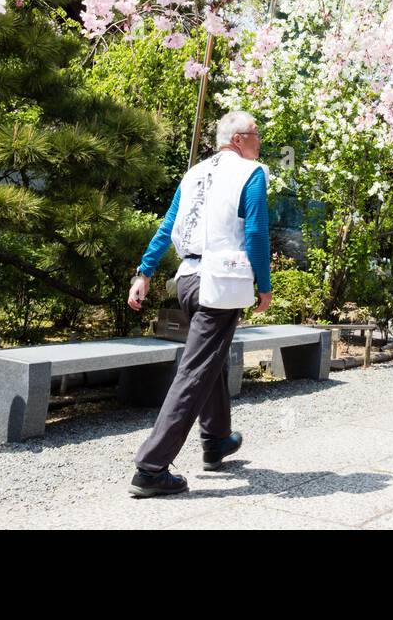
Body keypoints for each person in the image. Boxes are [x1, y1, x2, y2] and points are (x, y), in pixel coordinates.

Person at [126, 110, 273, 498]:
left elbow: (167, 225)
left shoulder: (193, 174)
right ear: (239, 139)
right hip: (220, 283)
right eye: (256, 134)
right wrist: (265, 284)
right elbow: (257, 232)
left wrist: (144, 272)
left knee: (211, 358)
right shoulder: (251, 174)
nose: (260, 141)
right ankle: (151, 467)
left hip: (187, 281)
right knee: (194, 370)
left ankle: (217, 440)